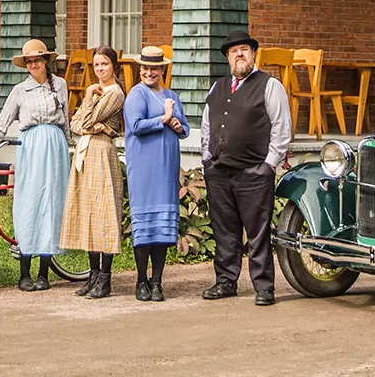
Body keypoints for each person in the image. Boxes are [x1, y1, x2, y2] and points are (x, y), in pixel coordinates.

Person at [200, 33, 292, 307]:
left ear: (253, 54)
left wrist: (269, 165)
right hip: (219, 171)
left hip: (254, 171)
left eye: (245, 50)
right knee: (224, 230)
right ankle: (226, 281)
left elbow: (281, 126)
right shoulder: (217, 87)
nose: (239, 54)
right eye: (234, 51)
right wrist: (207, 159)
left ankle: (264, 287)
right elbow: (207, 125)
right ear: (228, 58)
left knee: (257, 232)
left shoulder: (270, 85)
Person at [0, 38, 68, 292]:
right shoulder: (19, 91)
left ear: (46, 61)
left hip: (55, 147)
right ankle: (24, 272)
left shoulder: (60, 85)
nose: (33, 65)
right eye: (29, 61)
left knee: (52, 204)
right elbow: (2, 124)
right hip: (31, 147)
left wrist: (72, 147)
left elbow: (65, 121)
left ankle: (44, 272)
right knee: (29, 203)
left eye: (37, 60)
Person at [123, 45, 188, 302]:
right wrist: (163, 118)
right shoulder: (136, 95)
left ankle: (157, 281)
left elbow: (184, 129)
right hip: (144, 167)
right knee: (145, 227)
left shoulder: (171, 94)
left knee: (162, 228)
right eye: (146, 68)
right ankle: (141, 281)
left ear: (162, 70)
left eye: (155, 68)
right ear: (141, 70)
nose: (150, 72)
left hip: (165, 168)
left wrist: (175, 123)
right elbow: (136, 125)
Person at [61, 44, 126, 298]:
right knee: (88, 210)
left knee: (103, 212)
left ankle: (106, 278)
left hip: (101, 152)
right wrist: (91, 120)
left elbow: (84, 121)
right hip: (86, 151)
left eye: (105, 64)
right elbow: (75, 123)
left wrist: (88, 99)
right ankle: (93, 275)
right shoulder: (96, 91)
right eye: (96, 65)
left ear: (114, 66)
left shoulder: (114, 93)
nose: (100, 69)